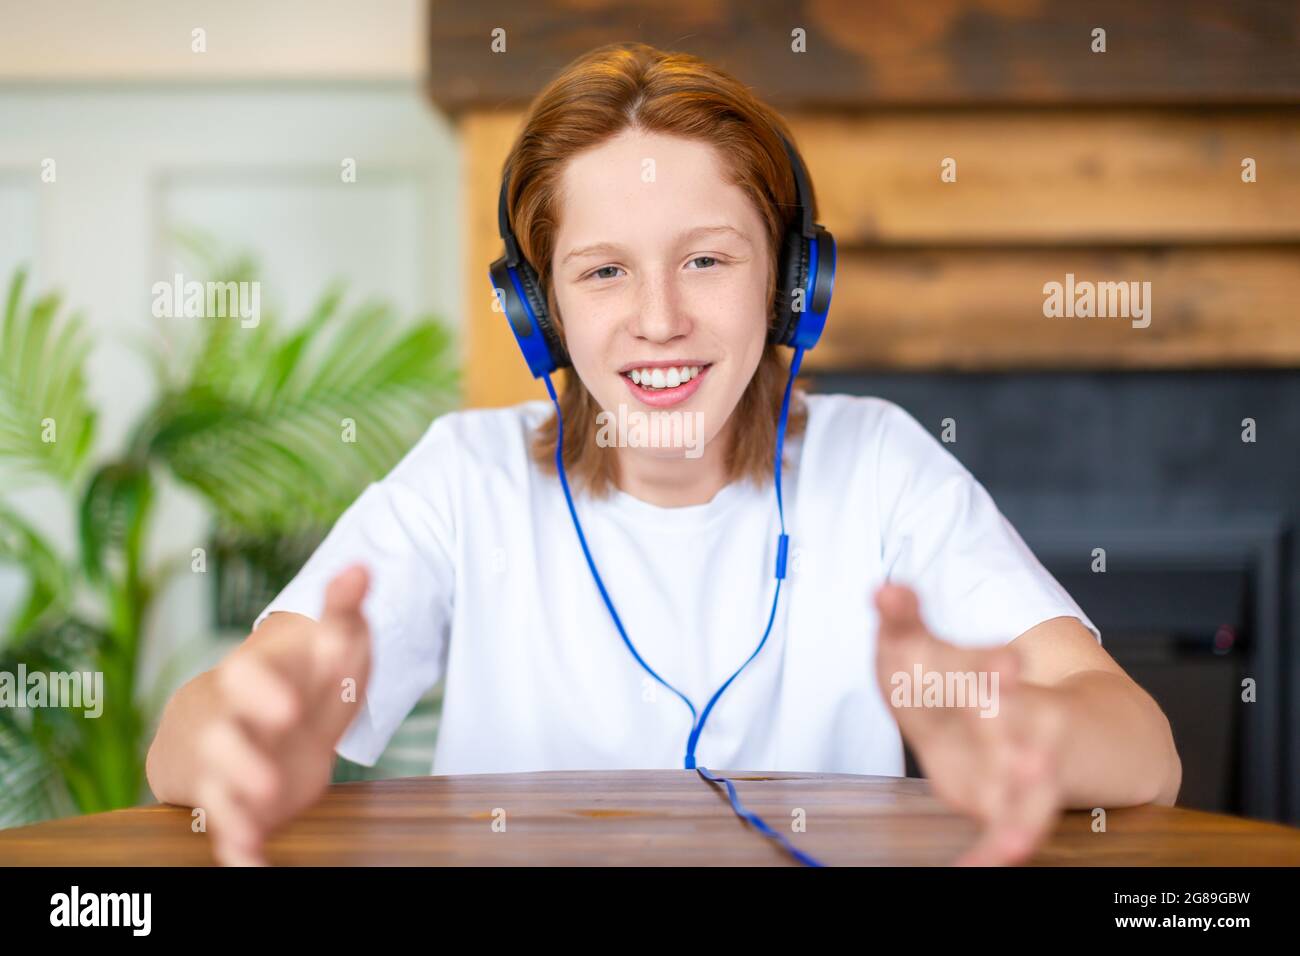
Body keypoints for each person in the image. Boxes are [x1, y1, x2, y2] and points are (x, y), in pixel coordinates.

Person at [146, 42, 1181, 867]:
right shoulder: (465, 476)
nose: (659, 318)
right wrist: (253, 735)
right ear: (538, 311)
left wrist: (1023, 725)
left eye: (705, 258)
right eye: (602, 271)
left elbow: (1142, 748)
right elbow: (188, 742)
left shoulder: (877, 462)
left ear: (788, 283)